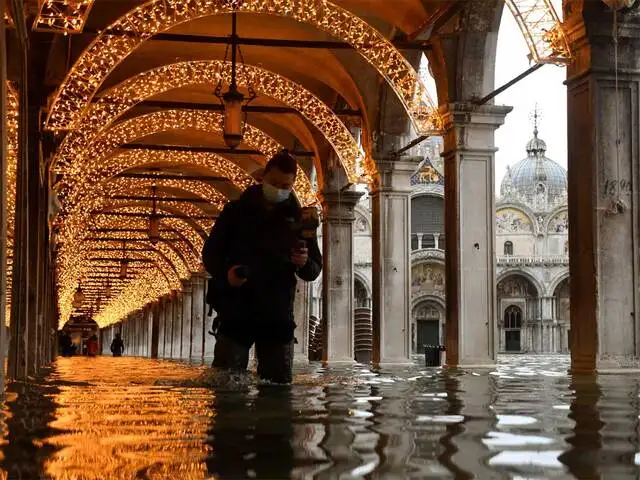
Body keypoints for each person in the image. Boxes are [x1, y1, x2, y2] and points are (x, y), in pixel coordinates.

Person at [202, 149, 322, 384]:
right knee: (227, 386)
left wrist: (304, 262)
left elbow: (314, 270)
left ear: (292, 185)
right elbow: (210, 254)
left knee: (278, 387)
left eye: (285, 186)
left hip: (277, 314)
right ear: (263, 177)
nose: (279, 189)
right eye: (275, 182)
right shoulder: (234, 213)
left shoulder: (302, 219)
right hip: (236, 309)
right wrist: (227, 274)